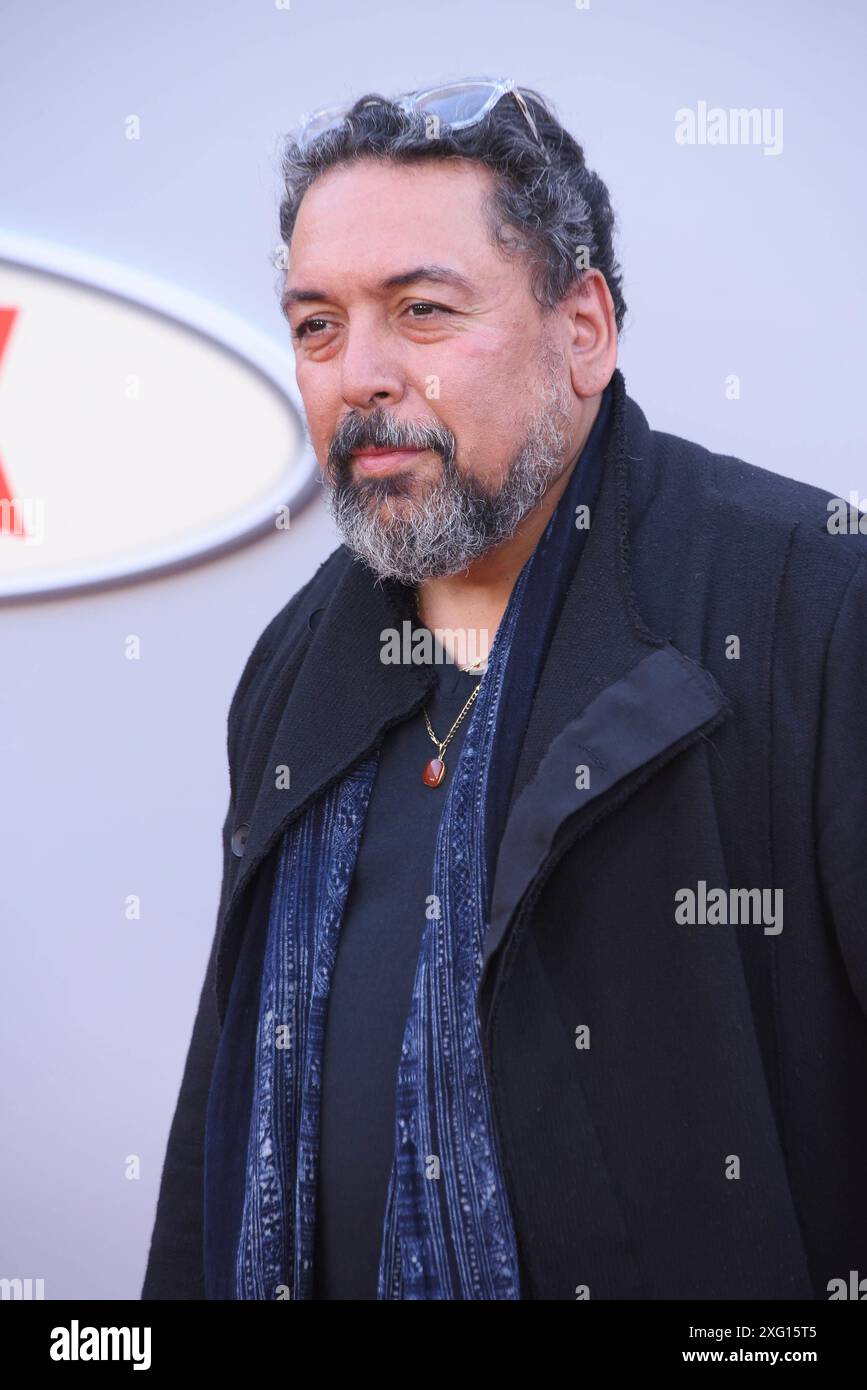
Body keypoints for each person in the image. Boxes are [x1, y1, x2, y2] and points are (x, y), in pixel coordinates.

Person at [142, 79, 867, 1301]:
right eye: (316, 326)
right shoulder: (292, 664)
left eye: (421, 311)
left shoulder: (813, 606)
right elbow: (221, 1121)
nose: (358, 375)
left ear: (583, 328)